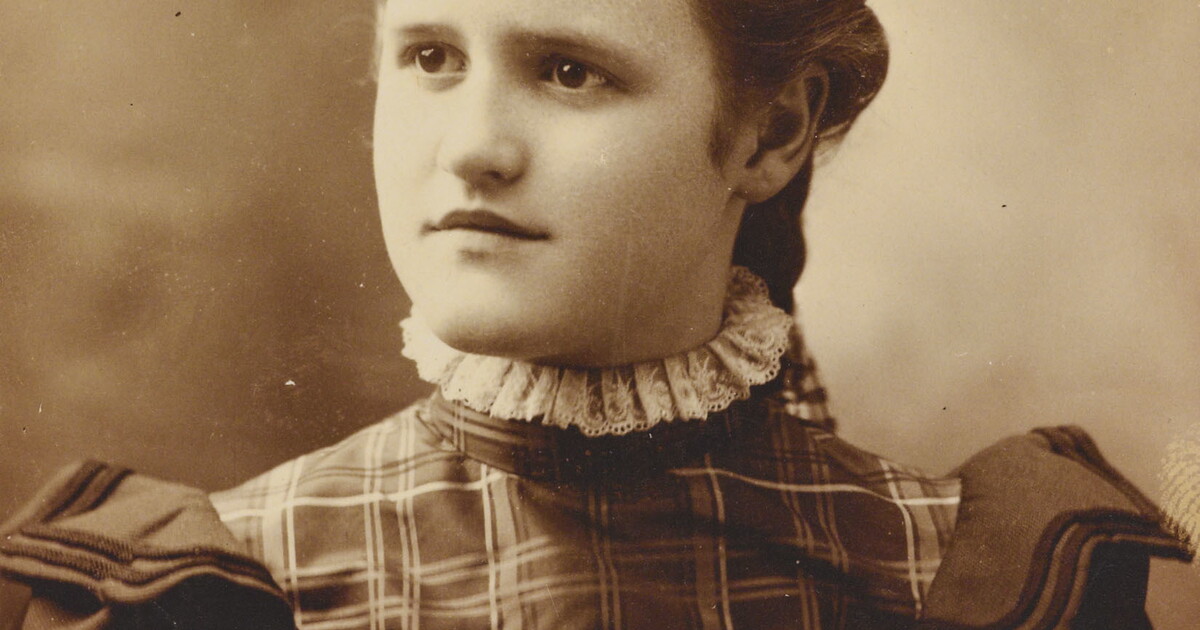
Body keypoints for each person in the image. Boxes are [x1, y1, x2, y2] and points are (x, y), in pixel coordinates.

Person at [0, 0, 1191, 628]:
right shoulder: (220, 591)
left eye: (570, 70)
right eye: (427, 57)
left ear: (771, 131)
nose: (471, 149)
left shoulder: (965, 582)